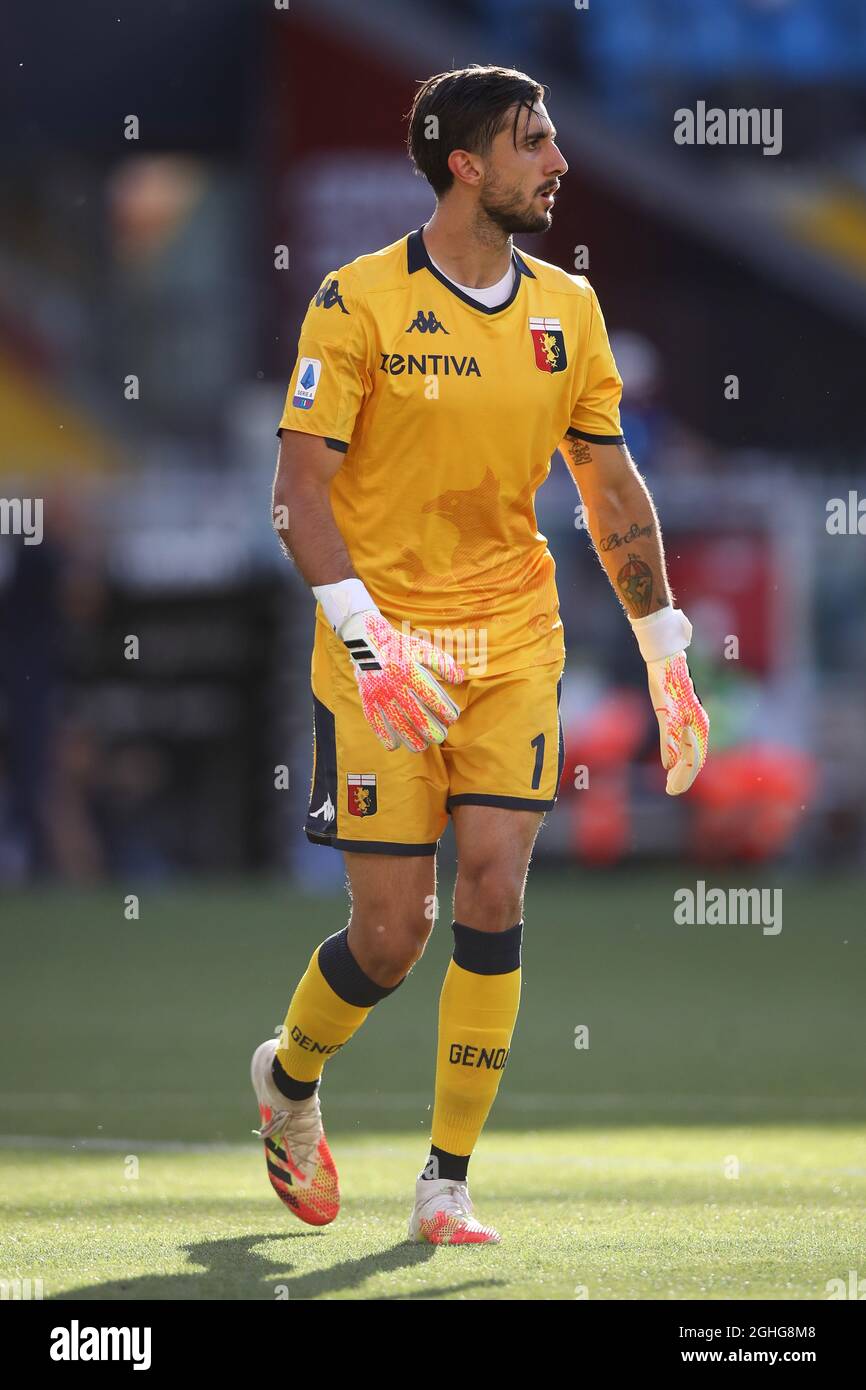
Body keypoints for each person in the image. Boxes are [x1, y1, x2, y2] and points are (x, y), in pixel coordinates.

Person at [254, 64, 709, 1245]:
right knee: (389, 937)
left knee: (496, 889)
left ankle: (443, 1181)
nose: (557, 162)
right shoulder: (354, 302)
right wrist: (365, 641)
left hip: (513, 642)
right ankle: (289, 1079)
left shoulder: (570, 311)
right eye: (532, 142)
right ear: (465, 163)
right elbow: (297, 494)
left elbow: (610, 491)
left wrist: (665, 650)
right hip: (381, 656)